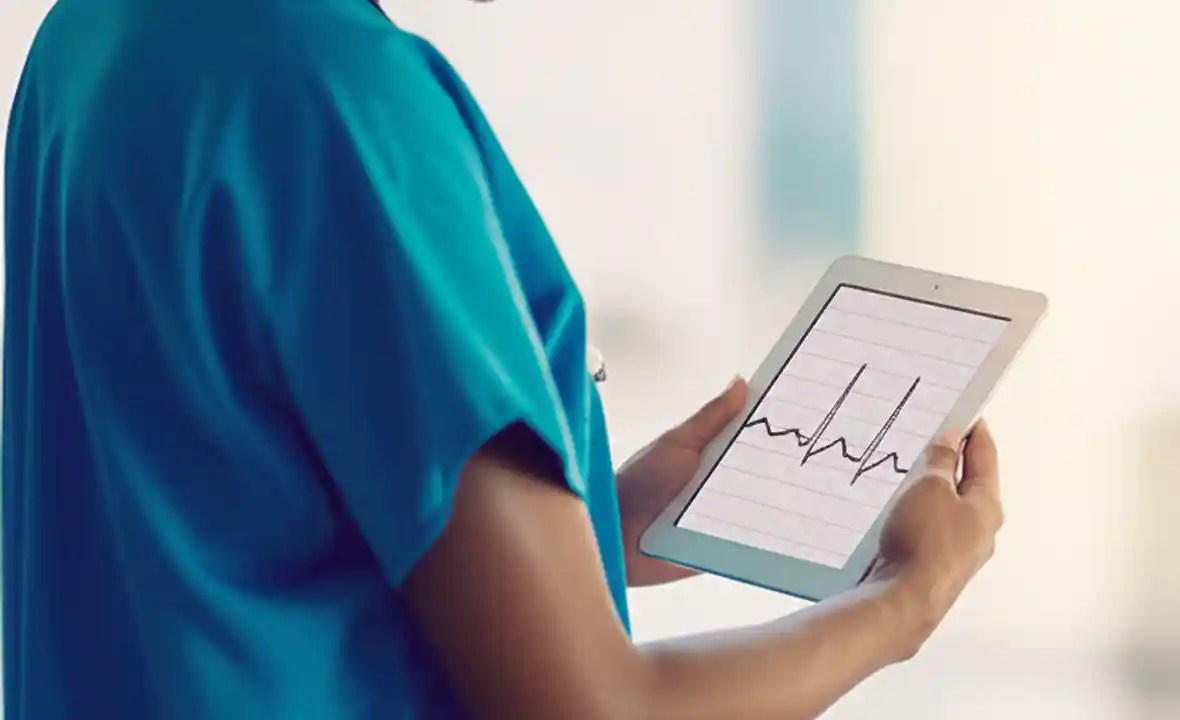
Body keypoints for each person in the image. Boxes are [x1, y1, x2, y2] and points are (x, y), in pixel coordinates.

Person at [2, 1, 1005, 718]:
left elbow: (208, 509)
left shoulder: (94, 35)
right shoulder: (341, 99)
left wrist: (595, 529)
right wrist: (899, 605)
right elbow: (593, 710)